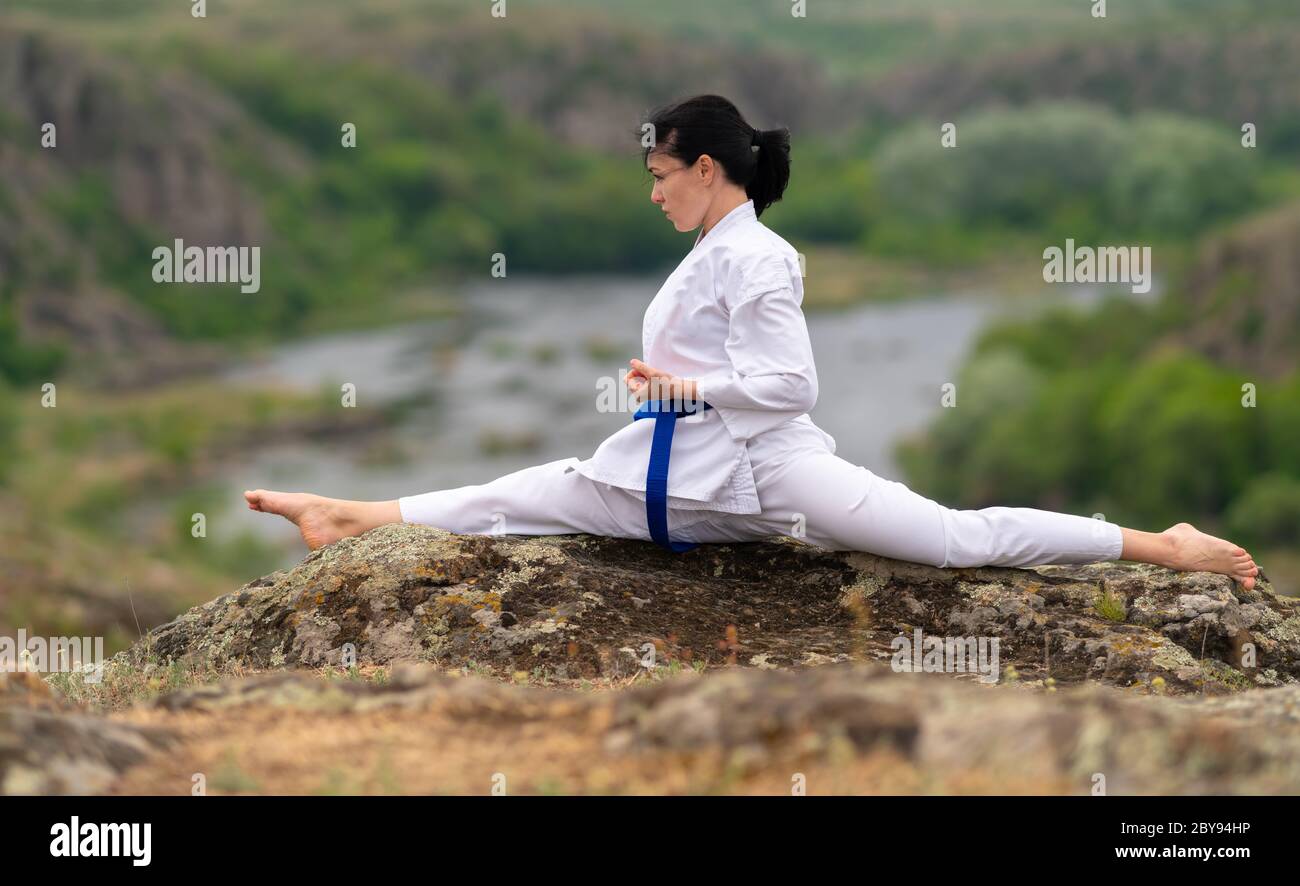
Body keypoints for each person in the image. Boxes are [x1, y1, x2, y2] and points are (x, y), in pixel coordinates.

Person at [245, 94, 1260, 589]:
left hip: (767, 473)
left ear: (707, 170)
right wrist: (676, 398)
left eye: (659, 174)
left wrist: (684, 389)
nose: (652, 192)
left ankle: (1158, 543)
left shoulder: (758, 258)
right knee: (528, 492)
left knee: (953, 543)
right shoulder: (712, 250)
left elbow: (789, 385)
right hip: (674, 469)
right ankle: (348, 511)